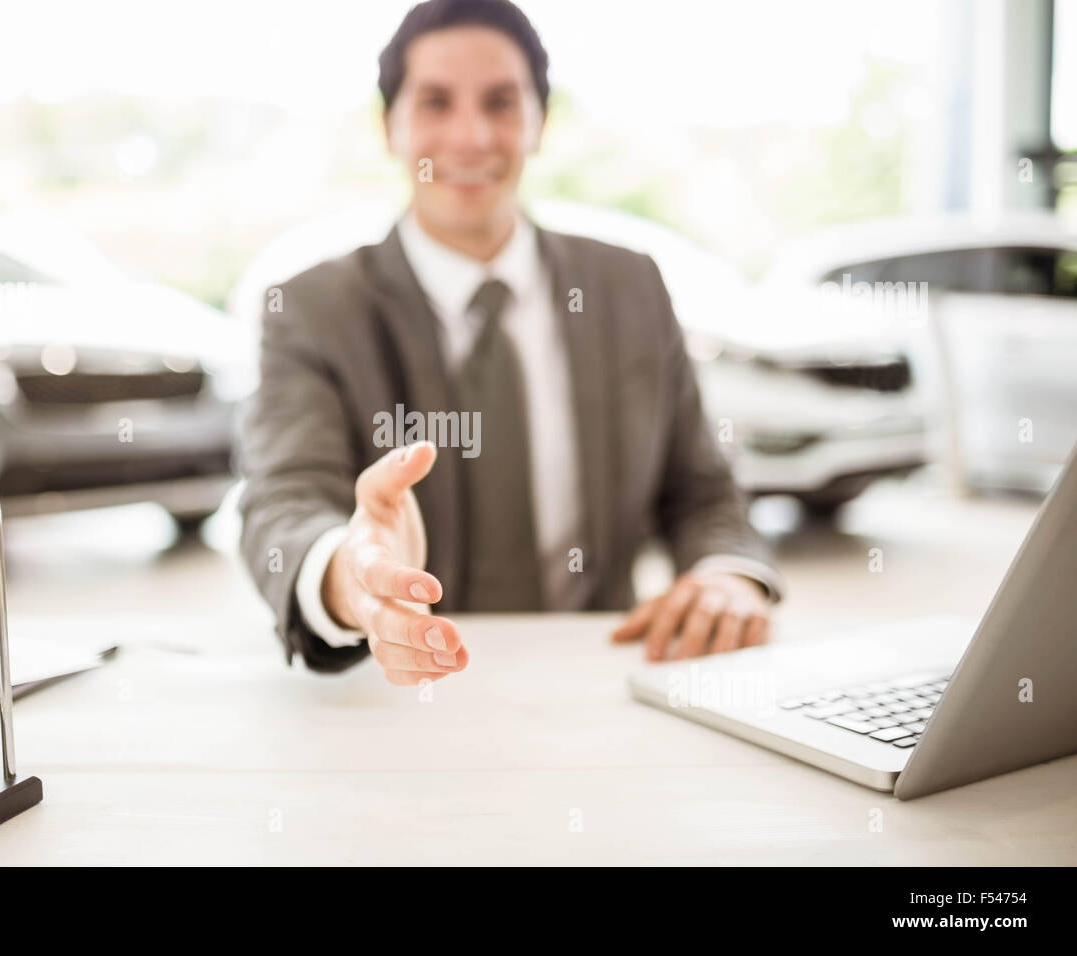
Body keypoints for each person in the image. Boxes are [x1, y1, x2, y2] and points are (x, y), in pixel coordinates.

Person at [239, 0, 782, 684]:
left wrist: (728, 576)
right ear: (389, 126)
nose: (470, 136)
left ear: (539, 122)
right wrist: (350, 577)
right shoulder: (315, 309)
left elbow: (702, 493)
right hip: (402, 701)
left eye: (501, 102)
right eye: (436, 102)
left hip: (600, 681)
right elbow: (283, 500)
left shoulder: (629, 287)